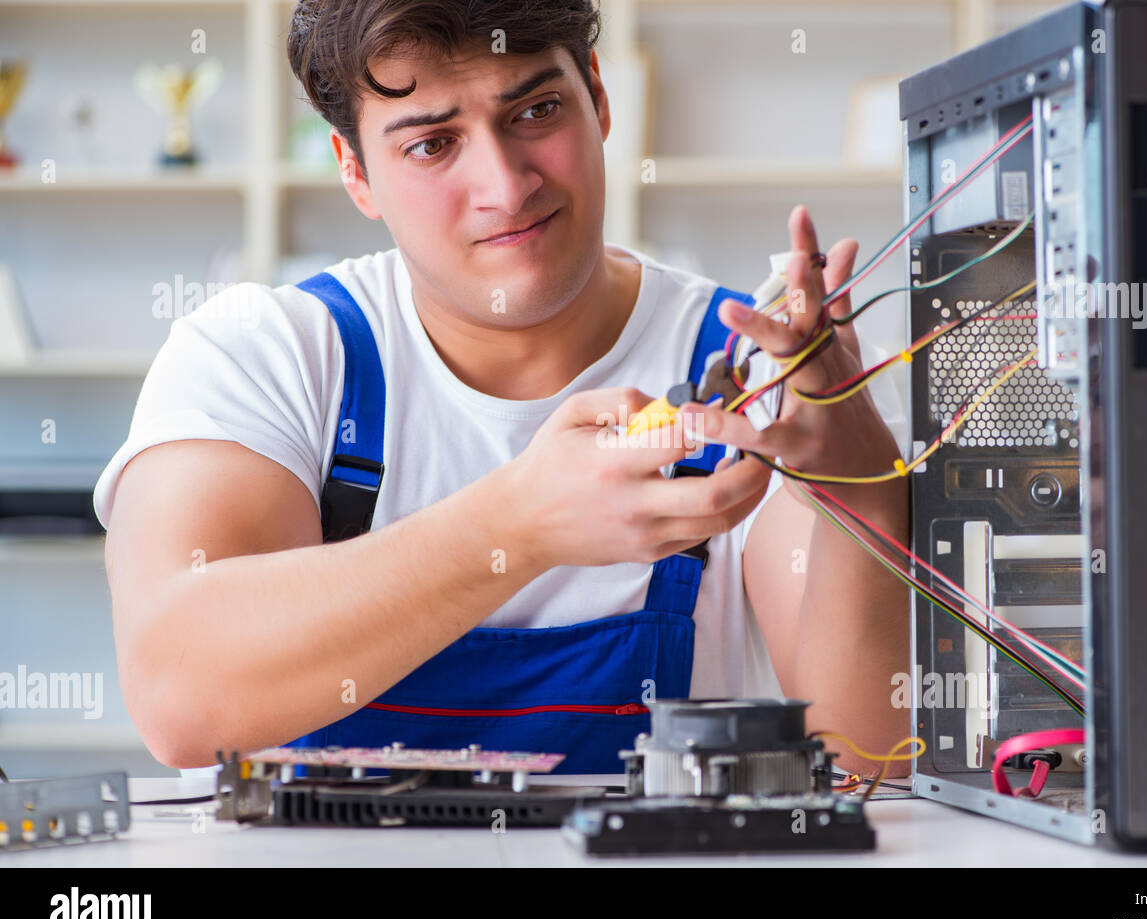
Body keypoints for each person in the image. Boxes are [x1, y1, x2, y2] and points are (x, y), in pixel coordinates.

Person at [93, 0, 911, 776]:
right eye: (432, 144)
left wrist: (864, 494)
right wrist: (522, 523)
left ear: (597, 94)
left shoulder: (769, 371)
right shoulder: (270, 355)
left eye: (535, 112)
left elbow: (869, 762)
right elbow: (178, 696)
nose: (506, 184)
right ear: (357, 173)